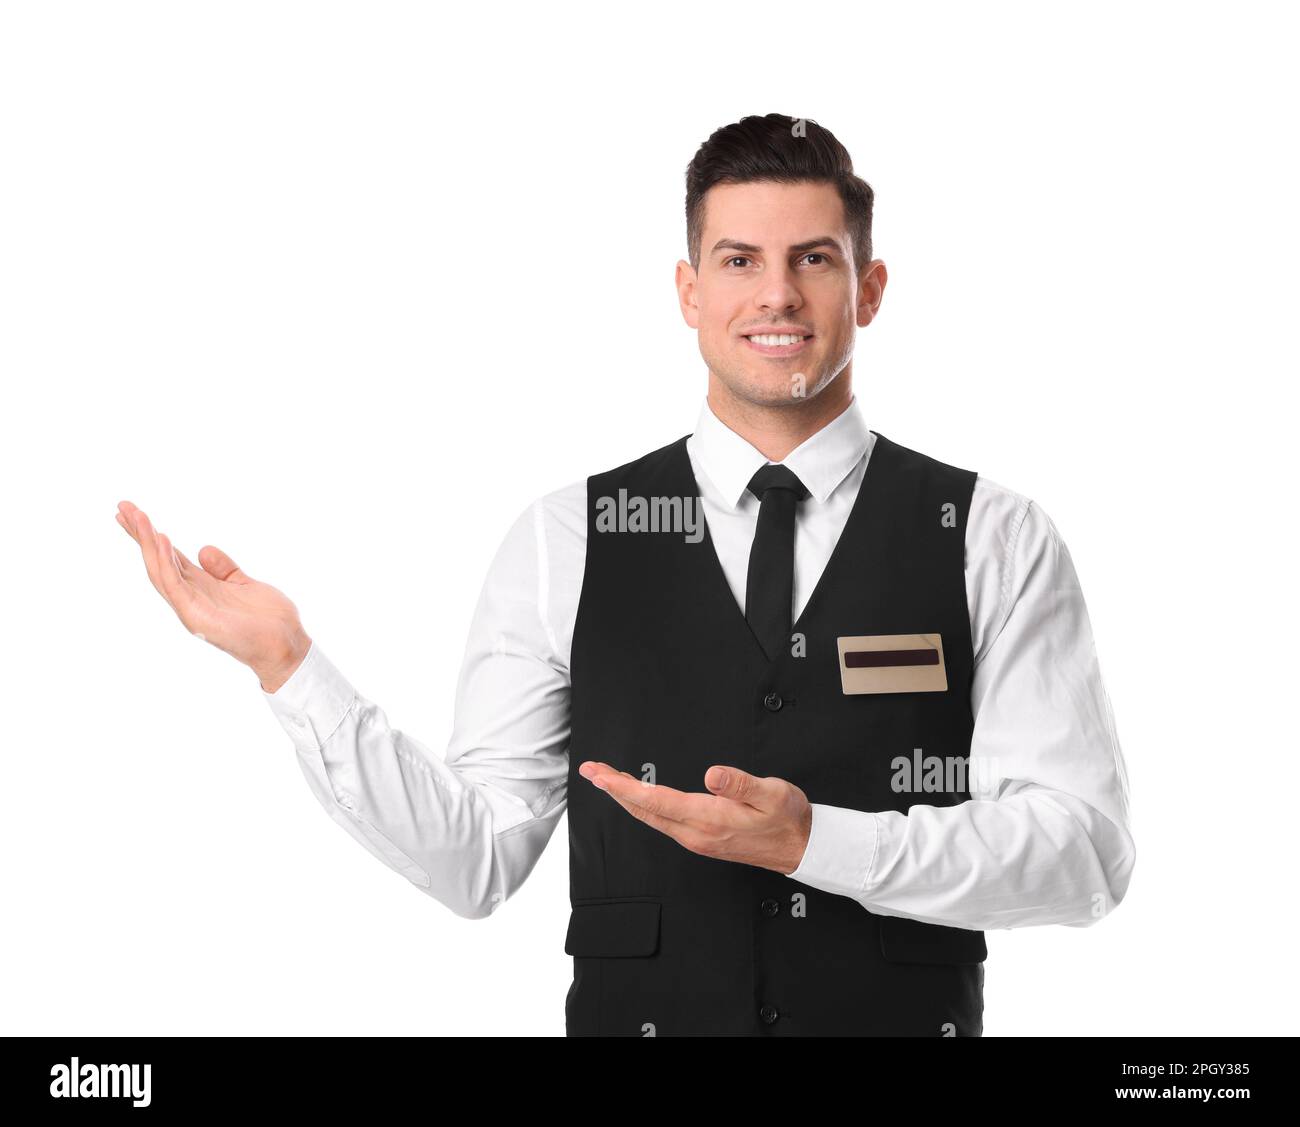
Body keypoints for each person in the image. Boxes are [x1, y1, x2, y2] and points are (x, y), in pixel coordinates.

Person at [117, 112, 1135, 1037]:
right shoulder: (566, 539)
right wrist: (292, 668)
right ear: (690, 290)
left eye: (812, 259)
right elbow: (476, 857)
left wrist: (817, 842)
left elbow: (1084, 852)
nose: (775, 293)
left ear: (868, 286)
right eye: (738, 259)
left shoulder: (989, 536)